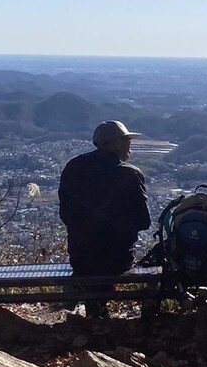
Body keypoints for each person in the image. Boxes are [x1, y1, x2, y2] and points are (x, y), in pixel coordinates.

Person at [58, 120, 152, 316]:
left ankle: (92, 307)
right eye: (127, 142)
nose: (130, 147)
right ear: (117, 144)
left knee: (92, 262)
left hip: (80, 257)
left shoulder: (73, 167)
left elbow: (65, 214)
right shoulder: (129, 174)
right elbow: (144, 221)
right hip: (116, 259)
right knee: (113, 260)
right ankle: (98, 313)